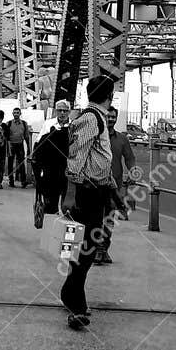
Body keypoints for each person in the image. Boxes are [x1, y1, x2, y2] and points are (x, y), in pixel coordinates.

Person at [61, 75, 128, 330]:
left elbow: (100, 161)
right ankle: (74, 301)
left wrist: (114, 193)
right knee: (85, 248)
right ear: (109, 95)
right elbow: (76, 157)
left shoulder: (96, 117)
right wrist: (70, 194)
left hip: (97, 190)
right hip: (85, 192)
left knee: (85, 247)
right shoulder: (91, 119)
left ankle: (73, 296)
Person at [98, 104, 138, 265]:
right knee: (95, 218)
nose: (111, 119)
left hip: (114, 187)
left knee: (109, 219)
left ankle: (103, 249)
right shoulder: (96, 135)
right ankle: (96, 249)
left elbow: (129, 158)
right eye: (108, 116)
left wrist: (133, 171)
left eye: (113, 117)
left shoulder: (122, 139)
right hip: (95, 184)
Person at [31, 99, 72, 218]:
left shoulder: (74, 126)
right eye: (60, 110)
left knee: (68, 206)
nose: (62, 113)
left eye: (65, 111)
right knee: (50, 205)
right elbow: (38, 146)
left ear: (69, 112)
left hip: (68, 171)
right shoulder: (48, 124)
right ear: (55, 111)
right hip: (50, 171)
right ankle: (50, 232)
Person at [6, 106, 31, 187]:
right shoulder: (8, 123)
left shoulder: (24, 124)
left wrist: (29, 148)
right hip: (11, 146)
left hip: (20, 145)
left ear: (20, 114)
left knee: (21, 164)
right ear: (12, 114)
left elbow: (27, 136)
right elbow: (6, 137)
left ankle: (23, 181)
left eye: (17, 113)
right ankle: (11, 181)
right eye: (15, 113)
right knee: (10, 164)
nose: (16, 114)